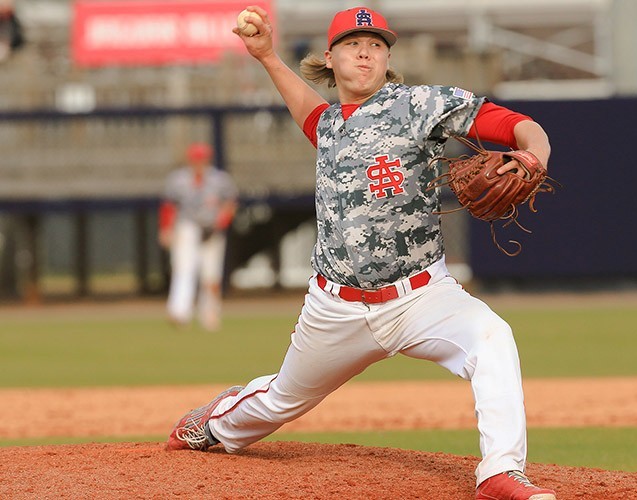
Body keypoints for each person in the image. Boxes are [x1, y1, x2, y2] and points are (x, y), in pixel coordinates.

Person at [166, 6, 555, 499]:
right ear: (330, 58)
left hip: (421, 296)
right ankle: (216, 422)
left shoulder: (421, 105)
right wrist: (266, 56)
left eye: (376, 44)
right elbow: (306, 109)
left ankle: (500, 471)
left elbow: (524, 125)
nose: (366, 50)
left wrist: (532, 155)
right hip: (335, 307)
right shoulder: (328, 126)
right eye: (353, 44)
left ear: (388, 56)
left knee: (492, 337)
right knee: (275, 403)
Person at [159, 142, 238, 332]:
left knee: (211, 275)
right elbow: (169, 206)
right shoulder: (178, 180)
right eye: (196, 159)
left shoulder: (219, 180)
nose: (199, 162)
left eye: (202, 158)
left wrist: (221, 222)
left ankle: (210, 314)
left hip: (212, 229)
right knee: (184, 269)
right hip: (187, 227)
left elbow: (230, 204)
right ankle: (179, 312)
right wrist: (166, 229)